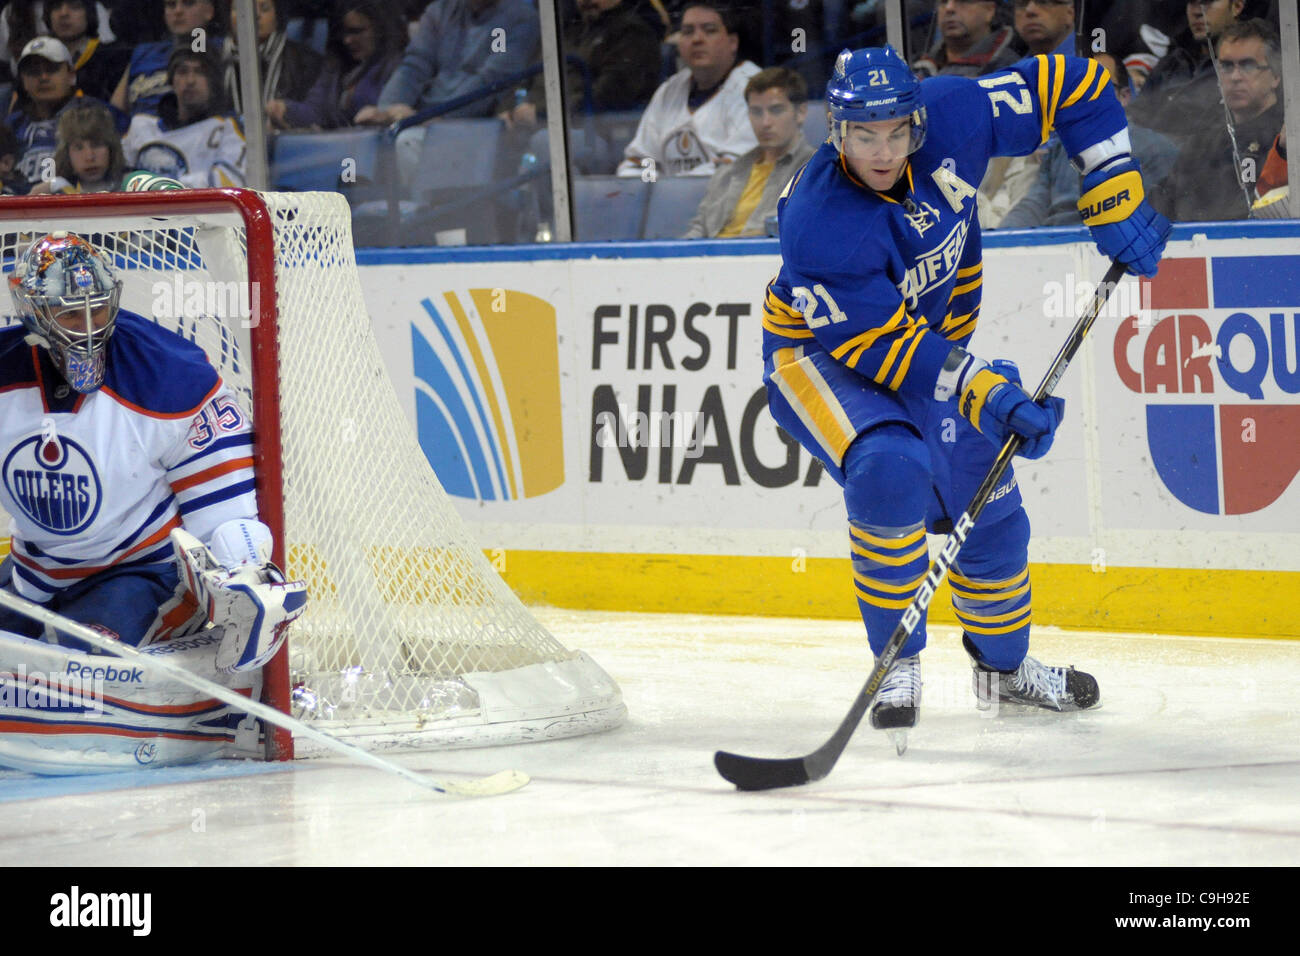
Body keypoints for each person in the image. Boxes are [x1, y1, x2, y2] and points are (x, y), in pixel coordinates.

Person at [761, 46, 1170, 751]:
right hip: (825, 358)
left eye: (897, 132)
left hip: (931, 342)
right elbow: (887, 351)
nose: (883, 151)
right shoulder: (820, 221)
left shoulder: (956, 112)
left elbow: (1068, 82)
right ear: (836, 130)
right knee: (890, 465)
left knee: (995, 521)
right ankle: (898, 662)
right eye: (865, 135)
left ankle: (1004, 672)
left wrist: (1111, 180)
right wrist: (985, 392)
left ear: (918, 121)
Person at [0, 232, 306, 672]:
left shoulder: (170, 375)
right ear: (31, 310)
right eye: (69, 313)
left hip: (143, 572)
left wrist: (246, 576)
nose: (87, 327)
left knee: (81, 668)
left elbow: (226, 514)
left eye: (98, 308)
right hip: (33, 573)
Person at [999, 53, 1177, 227]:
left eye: (1097, 87)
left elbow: (1157, 218)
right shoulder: (1060, 146)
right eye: (1077, 88)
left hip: (1109, 245)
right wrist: (1000, 240)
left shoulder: (1157, 148)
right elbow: (1034, 204)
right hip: (1055, 242)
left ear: (1124, 97)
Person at [1150, 18, 1283, 222]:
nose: (1235, 77)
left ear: (1275, 76)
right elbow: (1166, 201)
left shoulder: (1286, 138)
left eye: (1247, 65)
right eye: (1227, 66)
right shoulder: (1203, 139)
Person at [617, 2, 760, 178]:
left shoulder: (756, 89)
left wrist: (670, 189)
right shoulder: (669, 90)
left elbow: (733, 171)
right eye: (688, 32)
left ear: (733, 42)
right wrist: (645, 182)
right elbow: (641, 160)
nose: (697, 39)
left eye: (709, 30)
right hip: (666, 203)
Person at [683, 66, 815, 238]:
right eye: (756, 112)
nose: (765, 122)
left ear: (801, 112)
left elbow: (800, 232)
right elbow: (699, 228)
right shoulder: (729, 171)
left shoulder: (816, 170)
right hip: (710, 258)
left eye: (776, 110)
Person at [268, 0, 405, 130]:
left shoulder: (398, 68)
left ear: (378, 29)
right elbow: (315, 112)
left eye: (357, 31)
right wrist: (286, 109)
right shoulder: (335, 67)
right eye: (344, 32)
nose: (347, 40)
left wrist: (384, 115)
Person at [121, 46, 246, 187]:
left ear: (213, 82)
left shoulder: (227, 128)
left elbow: (231, 182)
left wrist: (161, 188)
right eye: (182, 72)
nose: (190, 80)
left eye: (200, 72)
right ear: (171, 81)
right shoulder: (141, 126)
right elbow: (116, 179)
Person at [1127, 0, 1246, 144]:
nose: (1197, 12)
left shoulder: (1247, 66)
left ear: (1236, 6)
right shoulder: (1173, 61)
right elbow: (1136, 118)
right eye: (1191, 2)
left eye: (1206, 2)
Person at [4, 36, 102, 190]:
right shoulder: (12, 124)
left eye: (52, 69)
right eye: (33, 71)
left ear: (71, 75)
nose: (43, 77)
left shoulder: (94, 114)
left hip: (74, 201)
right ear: (23, 80)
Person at [110, 0, 223, 118]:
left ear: (209, 11)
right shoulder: (144, 53)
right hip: (139, 132)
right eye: (171, 4)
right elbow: (115, 112)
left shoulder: (222, 51)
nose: (178, 11)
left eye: (188, 3)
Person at [222, 0, 323, 114]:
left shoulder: (305, 61)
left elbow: (315, 113)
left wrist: (288, 113)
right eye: (240, 9)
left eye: (264, 8)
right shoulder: (215, 58)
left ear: (277, 17)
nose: (254, 15)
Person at [27, 98, 125, 192]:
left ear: (111, 147)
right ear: (66, 154)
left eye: (97, 145)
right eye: (78, 148)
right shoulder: (54, 188)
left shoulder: (131, 183)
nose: (89, 157)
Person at [44, 0, 130, 103]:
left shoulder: (115, 57)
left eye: (75, 7)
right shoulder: (36, 61)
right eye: (56, 7)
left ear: (89, 13)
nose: (63, 13)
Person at [912, 0, 1020, 79]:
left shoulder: (1008, 70)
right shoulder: (918, 66)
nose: (949, 8)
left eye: (963, 1)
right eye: (944, 2)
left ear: (990, 11)